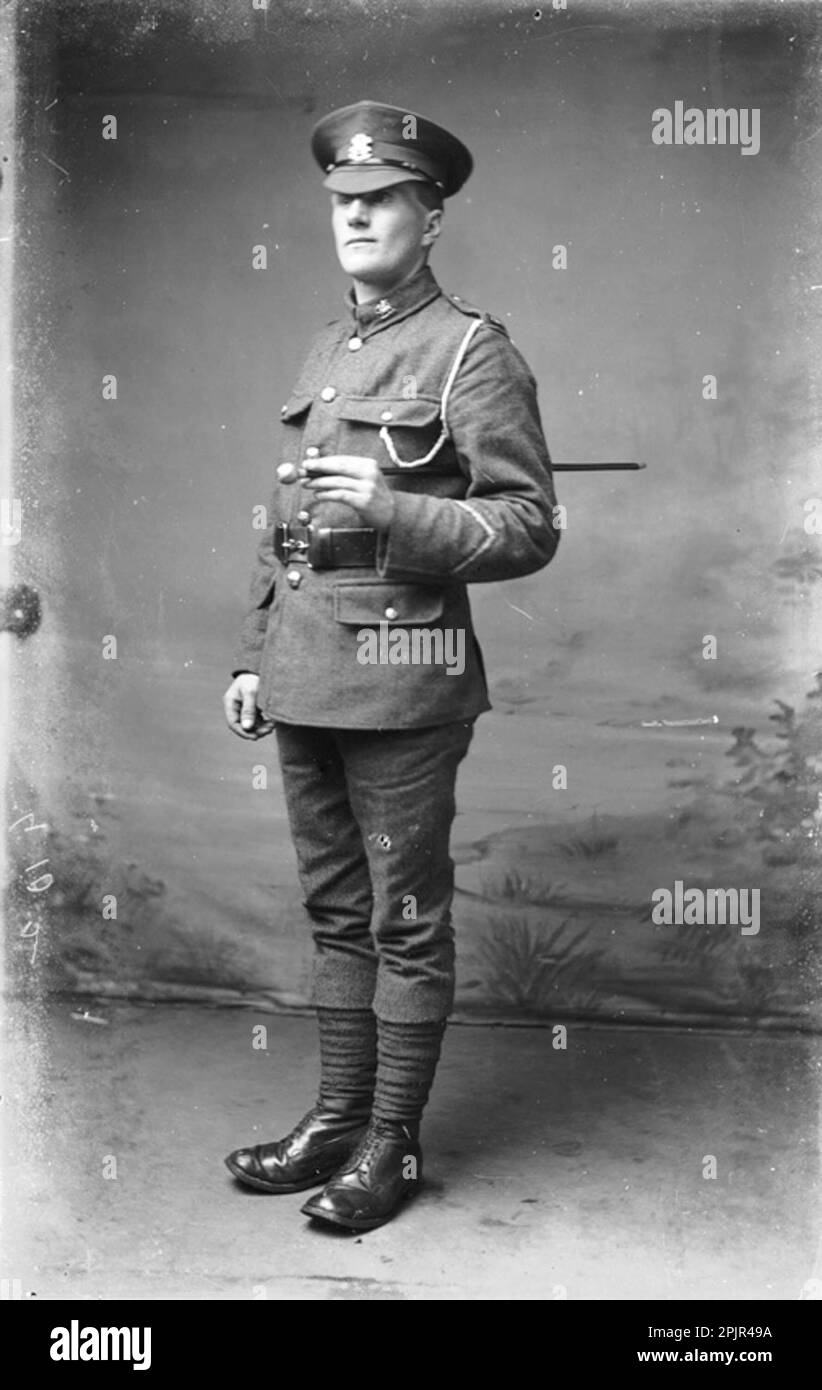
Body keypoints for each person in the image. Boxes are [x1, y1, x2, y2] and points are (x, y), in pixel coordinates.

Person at [222, 99, 560, 1231]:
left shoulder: (473, 350)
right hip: (306, 675)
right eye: (341, 203)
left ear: (433, 213)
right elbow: (287, 524)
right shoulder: (330, 349)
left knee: (404, 916)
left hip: (405, 678)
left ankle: (392, 1142)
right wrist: (250, 655)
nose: (355, 218)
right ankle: (335, 1118)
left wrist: (403, 511)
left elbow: (527, 527)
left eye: (380, 200)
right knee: (334, 914)